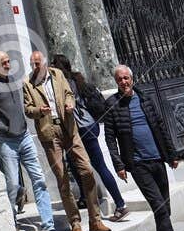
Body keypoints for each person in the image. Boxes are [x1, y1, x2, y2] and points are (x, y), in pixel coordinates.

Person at [101, 64, 184, 231]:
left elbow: (161, 126)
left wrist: (171, 153)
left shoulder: (145, 98)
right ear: (116, 82)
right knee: (160, 210)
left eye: (126, 78)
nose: (123, 82)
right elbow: (110, 138)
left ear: (131, 79)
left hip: (157, 160)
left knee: (164, 213)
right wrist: (119, 165)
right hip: (138, 165)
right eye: (119, 79)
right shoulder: (112, 105)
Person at [24, 49, 111, 231]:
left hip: (69, 128)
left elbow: (69, 93)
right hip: (49, 133)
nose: (34, 67)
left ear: (45, 64)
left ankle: (95, 219)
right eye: (32, 64)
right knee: (62, 179)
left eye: (37, 63)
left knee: (87, 170)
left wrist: (70, 104)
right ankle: (75, 223)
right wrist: (39, 110)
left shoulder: (58, 75)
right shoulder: (27, 83)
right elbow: (28, 109)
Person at [0, 48, 65, 231]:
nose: (8, 64)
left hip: (24, 137)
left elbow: (28, 101)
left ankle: (48, 226)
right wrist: (3, 128)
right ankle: (11, 220)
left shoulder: (16, 80)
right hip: (6, 141)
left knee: (39, 179)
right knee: (12, 183)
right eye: (4, 62)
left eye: (8, 61)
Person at [52, 55, 128, 222]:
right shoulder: (78, 79)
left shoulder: (64, 83)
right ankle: (91, 199)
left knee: (94, 166)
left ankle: (120, 204)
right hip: (91, 125)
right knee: (77, 163)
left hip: (81, 129)